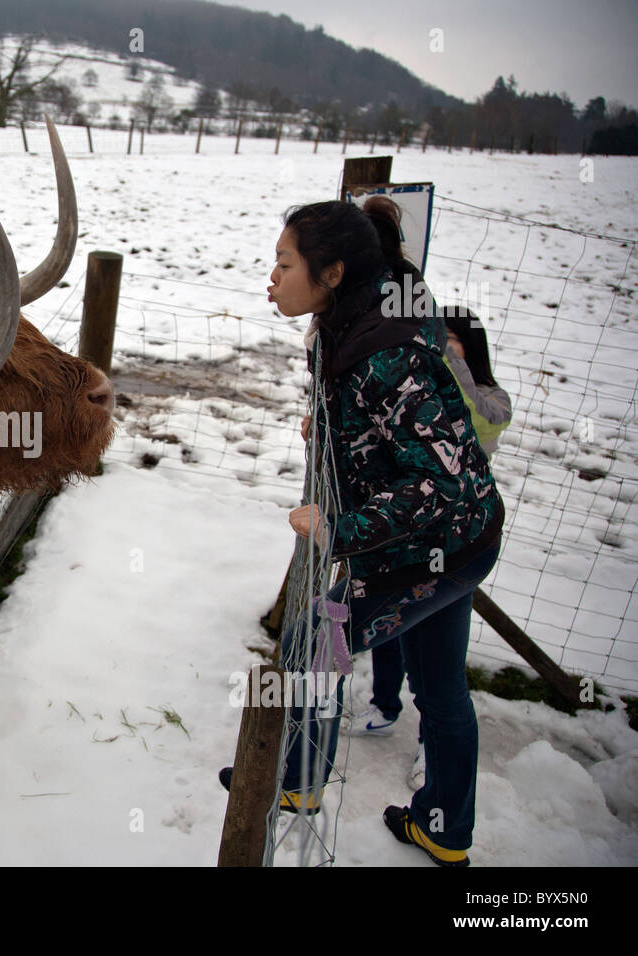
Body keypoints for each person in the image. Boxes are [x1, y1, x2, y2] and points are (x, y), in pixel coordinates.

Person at [220, 197, 505, 867]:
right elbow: (390, 434)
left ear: (334, 272)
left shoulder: (386, 354)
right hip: (456, 538)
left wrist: (338, 530)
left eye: (285, 264)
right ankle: (443, 826)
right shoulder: (353, 324)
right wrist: (333, 433)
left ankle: (293, 785)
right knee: (440, 689)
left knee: (313, 642)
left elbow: (437, 484)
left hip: (441, 545)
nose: (272, 276)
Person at [350, 304, 513, 794]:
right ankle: (383, 703)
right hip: (408, 539)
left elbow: (478, 425)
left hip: (452, 541)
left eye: (450, 344)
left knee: (439, 673)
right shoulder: (417, 379)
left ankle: (431, 748)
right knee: (393, 636)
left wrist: (443, 356)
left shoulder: (489, 399)